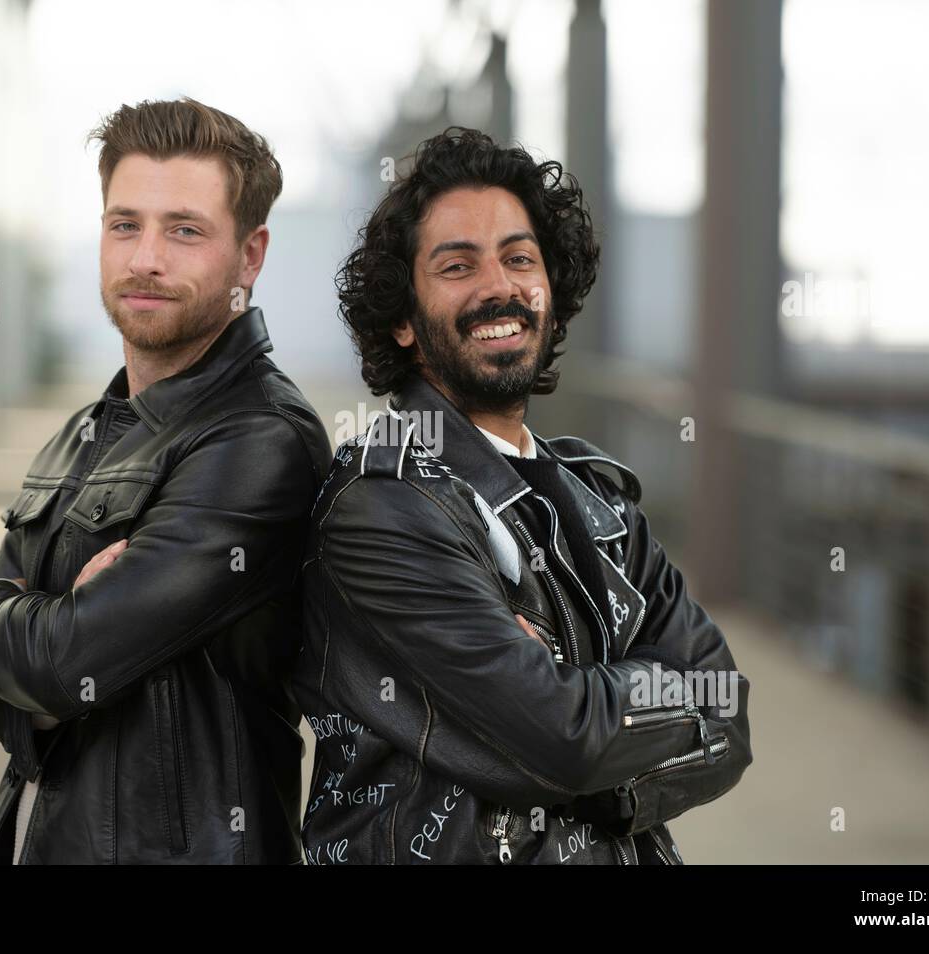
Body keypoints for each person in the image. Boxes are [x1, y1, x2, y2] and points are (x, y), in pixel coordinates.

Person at [294, 127, 752, 864]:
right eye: (457, 265)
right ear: (404, 320)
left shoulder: (597, 497)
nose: (498, 287)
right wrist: (649, 702)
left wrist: (600, 742)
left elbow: (729, 706)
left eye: (519, 258)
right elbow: (567, 738)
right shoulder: (380, 502)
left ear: (551, 293)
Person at [0, 97, 331, 864]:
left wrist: (16, 632)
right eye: (125, 225)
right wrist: (33, 635)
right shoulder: (82, 434)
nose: (146, 257)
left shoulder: (260, 439)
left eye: (184, 230)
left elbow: (62, 663)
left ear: (250, 256)